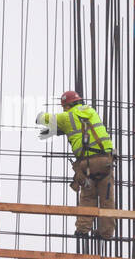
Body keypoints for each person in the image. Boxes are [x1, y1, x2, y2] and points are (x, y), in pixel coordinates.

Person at [36, 90, 115, 239]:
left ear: (67, 106)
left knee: (88, 197)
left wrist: (48, 124)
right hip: (106, 162)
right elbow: (81, 127)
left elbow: (42, 119)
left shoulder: (67, 116)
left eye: (63, 107)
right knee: (107, 199)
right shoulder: (91, 112)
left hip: (88, 165)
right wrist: (59, 131)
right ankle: (106, 233)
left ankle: (82, 230)